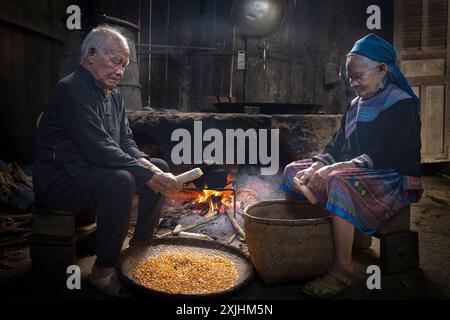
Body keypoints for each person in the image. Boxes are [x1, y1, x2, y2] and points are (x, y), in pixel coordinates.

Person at [33, 25, 181, 297]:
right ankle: (102, 270)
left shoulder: (113, 96)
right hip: (59, 180)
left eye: (124, 65)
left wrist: (149, 168)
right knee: (121, 180)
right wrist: (145, 175)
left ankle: (140, 246)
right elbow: (99, 148)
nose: (120, 71)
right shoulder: (71, 90)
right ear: (91, 55)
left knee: (159, 165)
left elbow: (125, 143)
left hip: (90, 172)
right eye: (116, 62)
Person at [280, 34, 424, 299]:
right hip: (358, 168)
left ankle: (342, 269)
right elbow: (336, 147)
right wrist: (316, 167)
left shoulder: (401, 103)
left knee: (339, 181)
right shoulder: (356, 105)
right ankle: (304, 244)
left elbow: (385, 153)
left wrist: (334, 169)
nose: (354, 83)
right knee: (292, 171)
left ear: (382, 69)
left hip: (390, 176)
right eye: (350, 78)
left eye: (359, 76)